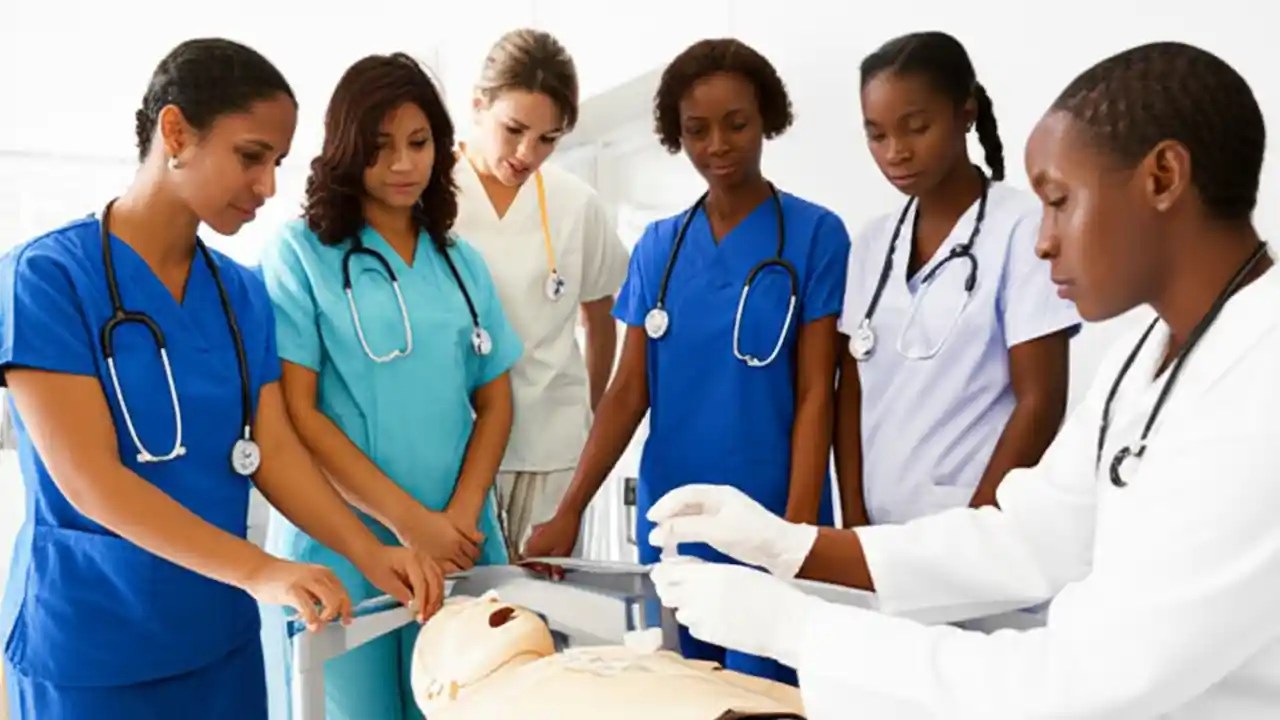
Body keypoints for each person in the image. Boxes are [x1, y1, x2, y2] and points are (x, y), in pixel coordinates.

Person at [647, 41, 1280, 718]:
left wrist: (799, 628)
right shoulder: (1143, 353)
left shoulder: (1260, 386)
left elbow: (1091, 678)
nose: (1044, 239)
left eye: (1061, 201)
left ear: (1161, 178)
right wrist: (797, 545)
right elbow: (1026, 535)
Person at [0, 38, 444, 720]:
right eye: (251, 156)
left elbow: (275, 452)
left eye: (277, 163)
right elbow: (89, 479)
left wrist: (371, 550)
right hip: (93, 643)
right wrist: (262, 570)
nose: (269, 186)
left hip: (217, 642)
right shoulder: (47, 278)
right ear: (175, 132)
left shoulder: (240, 295)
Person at [525, 38, 851, 685]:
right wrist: (570, 511)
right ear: (677, 136)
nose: (718, 146)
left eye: (737, 124)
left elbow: (820, 392)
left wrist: (795, 531)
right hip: (676, 523)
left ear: (768, 120)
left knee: (770, 695)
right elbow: (626, 393)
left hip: (771, 515)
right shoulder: (658, 248)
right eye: (696, 131)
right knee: (688, 693)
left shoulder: (816, 236)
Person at [258, 52, 522, 720]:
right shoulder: (301, 253)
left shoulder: (461, 263)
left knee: (468, 704)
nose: (403, 164)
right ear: (346, 152)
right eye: (379, 148)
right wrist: (410, 525)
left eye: (418, 142)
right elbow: (300, 415)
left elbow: (494, 399)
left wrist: (458, 517)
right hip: (345, 547)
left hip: (460, 542)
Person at [836, 31, 1080, 528]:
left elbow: (1041, 401)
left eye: (916, 127)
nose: (895, 152)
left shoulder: (1023, 228)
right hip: (880, 543)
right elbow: (852, 392)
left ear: (965, 114)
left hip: (976, 530)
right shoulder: (871, 245)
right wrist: (855, 520)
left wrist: (978, 530)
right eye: (877, 135)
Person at [452, 29, 629, 561]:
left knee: (551, 620)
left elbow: (601, 317)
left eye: (549, 139)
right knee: (468, 624)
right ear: (478, 105)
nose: (528, 153)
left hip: (553, 449)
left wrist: (589, 420)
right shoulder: (428, 195)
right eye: (514, 130)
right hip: (456, 446)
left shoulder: (577, 205)